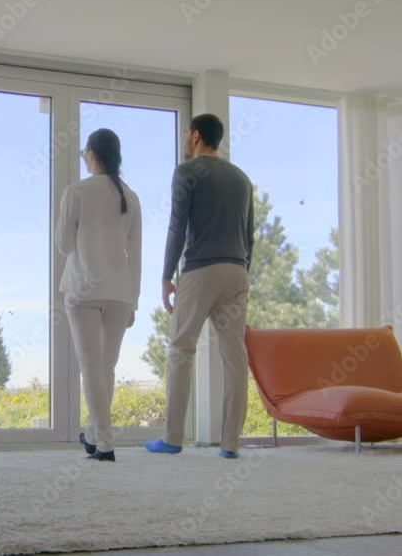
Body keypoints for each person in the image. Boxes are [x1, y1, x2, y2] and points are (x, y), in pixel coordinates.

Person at [144, 113, 254, 459]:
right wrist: (240, 269)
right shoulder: (241, 178)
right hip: (237, 271)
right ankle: (231, 444)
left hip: (200, 270)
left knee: (181, 349)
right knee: (235, 357)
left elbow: (177, 227)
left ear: (194, 136)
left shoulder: (187, 172)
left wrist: (166, 276)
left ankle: (173, 438)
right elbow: (249, 235)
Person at [55, 128, 142, 462]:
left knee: (91, 367)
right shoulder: (130, 196)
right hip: (120, 292)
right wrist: (134, 298)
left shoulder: (76, 192)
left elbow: (63, 245)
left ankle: (105, 441)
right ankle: (93, 433)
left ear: (91, 153)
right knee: (106, 367)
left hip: (83, 289)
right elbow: (136, 253)